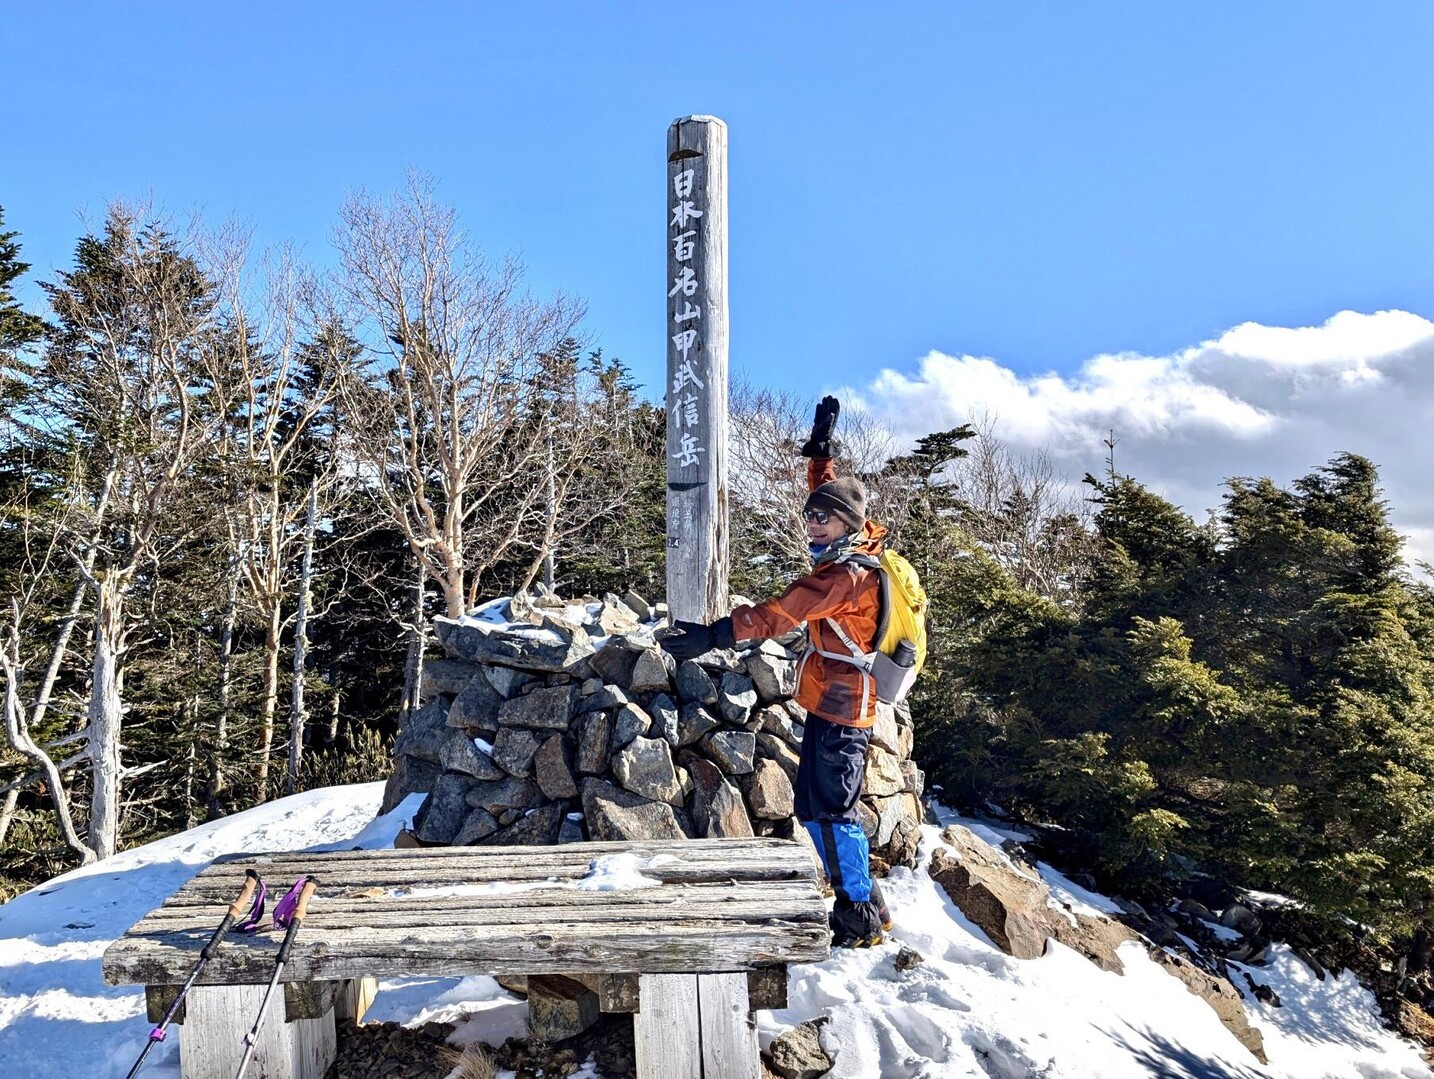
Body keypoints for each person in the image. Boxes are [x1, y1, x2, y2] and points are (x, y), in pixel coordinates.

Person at [660, 395, 892, 947]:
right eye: (809, 514)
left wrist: (713, 636)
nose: (811, 523)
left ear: (847, 526)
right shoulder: (853, 548)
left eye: (821, 518)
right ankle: (867, 900)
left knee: (829, 811)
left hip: (843, 709)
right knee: (822, 806)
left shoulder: (843, 579)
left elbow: (777, 613)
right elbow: (833, 496)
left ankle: (858, 914)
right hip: (830, 701)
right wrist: (820, 453)